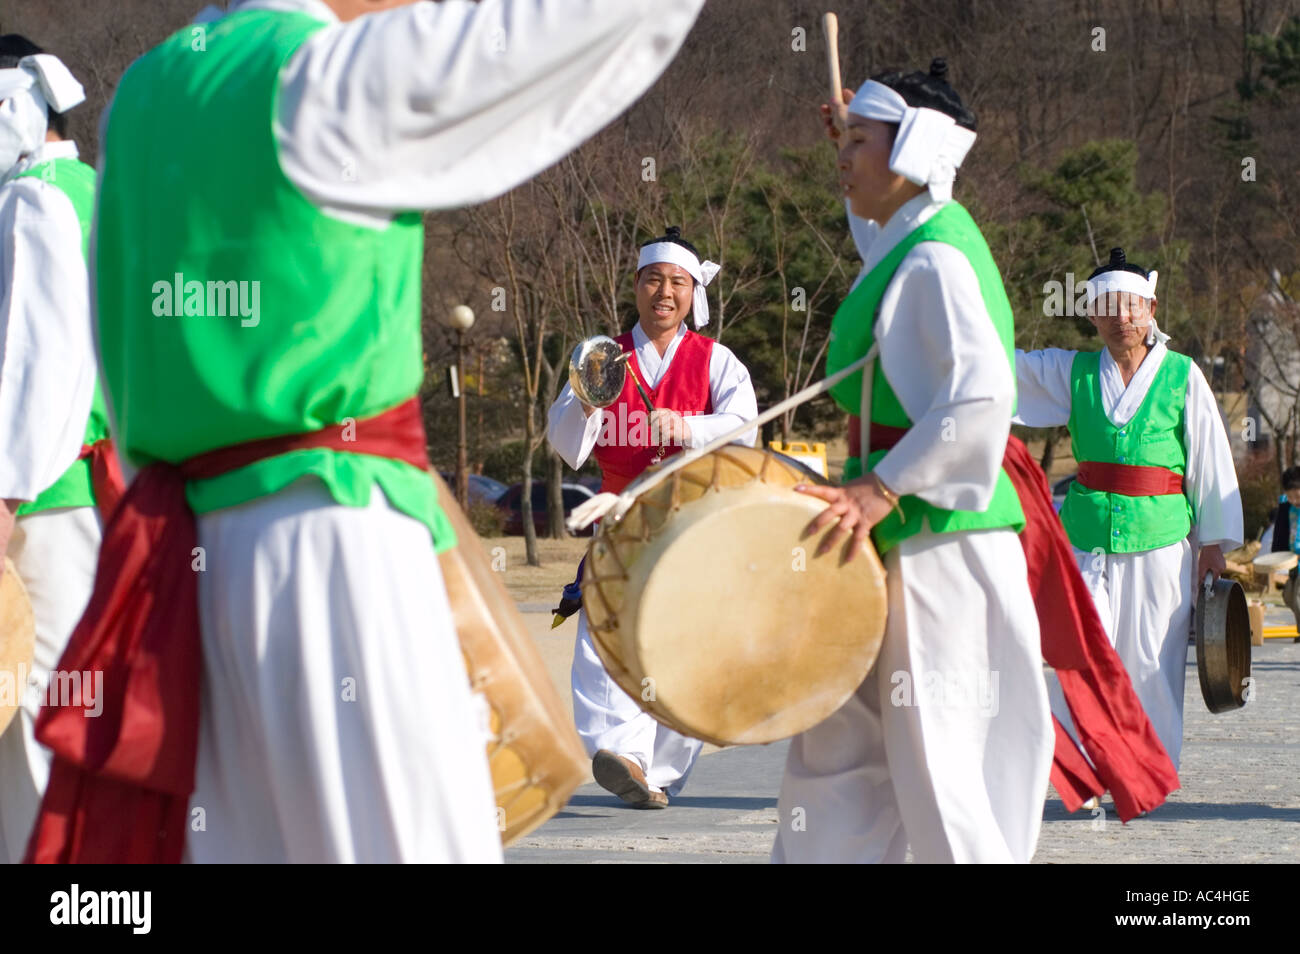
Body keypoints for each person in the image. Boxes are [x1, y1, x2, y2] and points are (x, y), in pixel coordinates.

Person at [27, 0, 705, 864]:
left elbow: (115, 338)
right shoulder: (327, 72)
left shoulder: (144, 91)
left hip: (179, 555)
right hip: (333, 536)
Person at [773, 61, 1054, 863]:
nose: (843, 156)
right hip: (902, 539)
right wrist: (856, 131)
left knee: (939, 773)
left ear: (916, 150)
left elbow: (980, 399)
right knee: (841, 757)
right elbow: (882, 231)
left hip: (940, 543)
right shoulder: (911, 244)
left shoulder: (938, 261)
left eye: (859, 142)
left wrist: (877, 486)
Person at [547, 226, 757, 808]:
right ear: (636, 286)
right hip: (622, 522)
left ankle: (657, 771)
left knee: (689, 650)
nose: (664, 293)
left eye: (678, 283)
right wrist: (587, 401)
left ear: (693, 293)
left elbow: (748, 429)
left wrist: (689, 427)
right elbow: (567, 445)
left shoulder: (717, 361)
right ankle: (625, 756)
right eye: (654, 280)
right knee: (606, 639)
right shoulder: (603, 358)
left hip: (695, 525)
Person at [1015, 247, 1243, 770]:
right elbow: (1003, 370)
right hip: (1087, 537)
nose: (1121, 316)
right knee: (1085, 652)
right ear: (1092, 314)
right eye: (1108, 306)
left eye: (1131, 305)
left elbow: (1209, 458)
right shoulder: (1071, 373)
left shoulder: (1183, 376)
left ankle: (1147, 768)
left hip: (1160, 540)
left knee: (1151, 661)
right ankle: (1090, 768)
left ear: (1151, 309)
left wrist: (1213, 544)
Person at [0, 38, 120, 864]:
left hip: (41, 502)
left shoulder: (35, 198)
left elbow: (35, 368)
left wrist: (4, 497)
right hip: (91, 492)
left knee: (34, 727)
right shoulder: (97, 191)